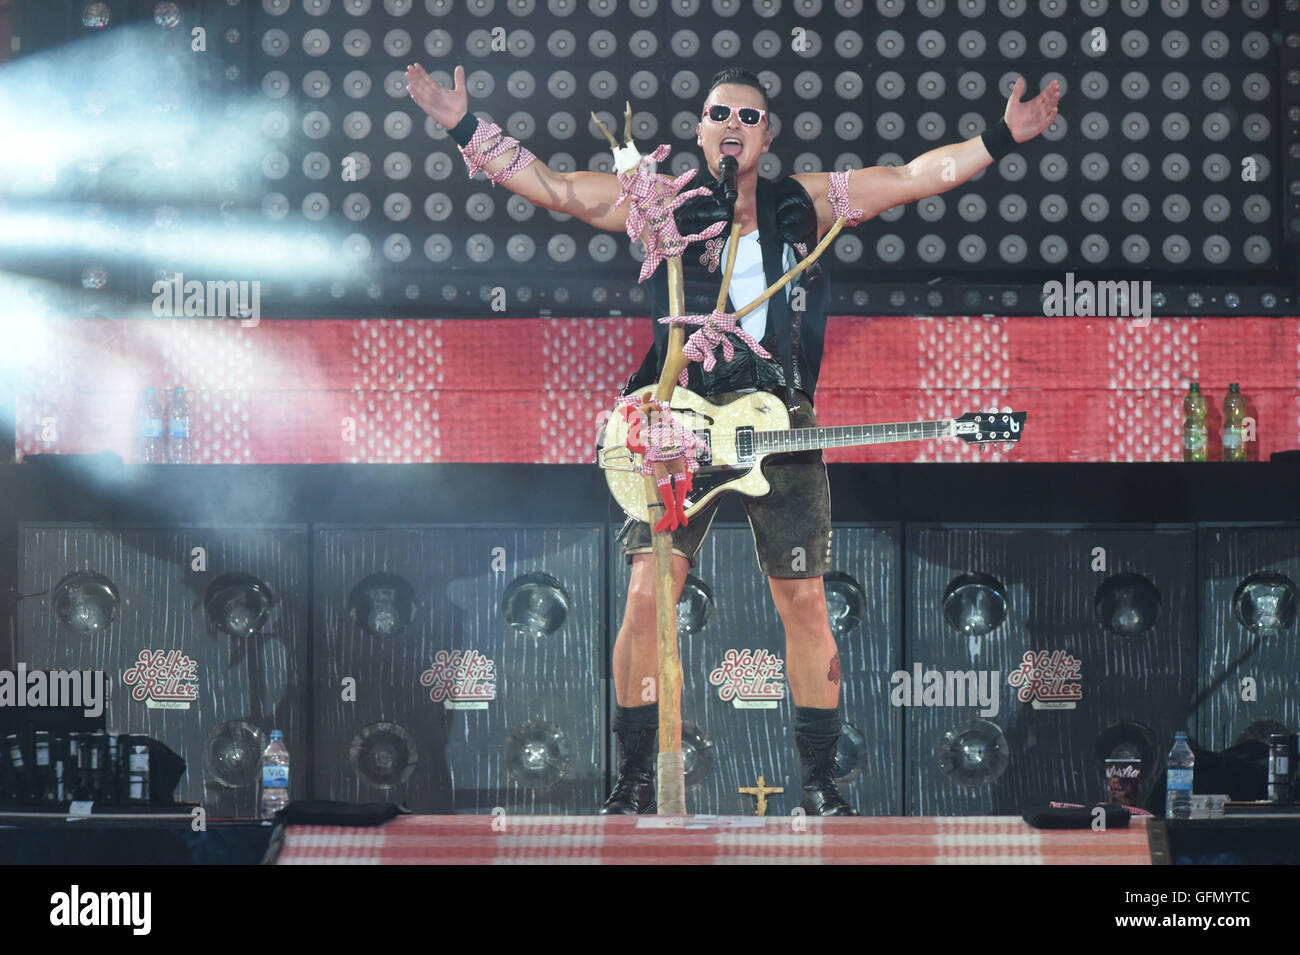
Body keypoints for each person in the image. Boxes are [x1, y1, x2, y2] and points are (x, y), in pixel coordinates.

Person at [406, 62, 1060, 815]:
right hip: (678, 420)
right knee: (650, 592)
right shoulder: (660, 204)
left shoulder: (804, 204)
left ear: (768, 135)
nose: (734, 126)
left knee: (806, 602)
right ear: (699, 128)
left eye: (750, 117)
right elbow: (557, 188)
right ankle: (632, 778)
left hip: (779, 420)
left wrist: (1001, 137)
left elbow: (914, 175)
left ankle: (818, 783)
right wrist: (464, 125)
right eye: (721, 113)